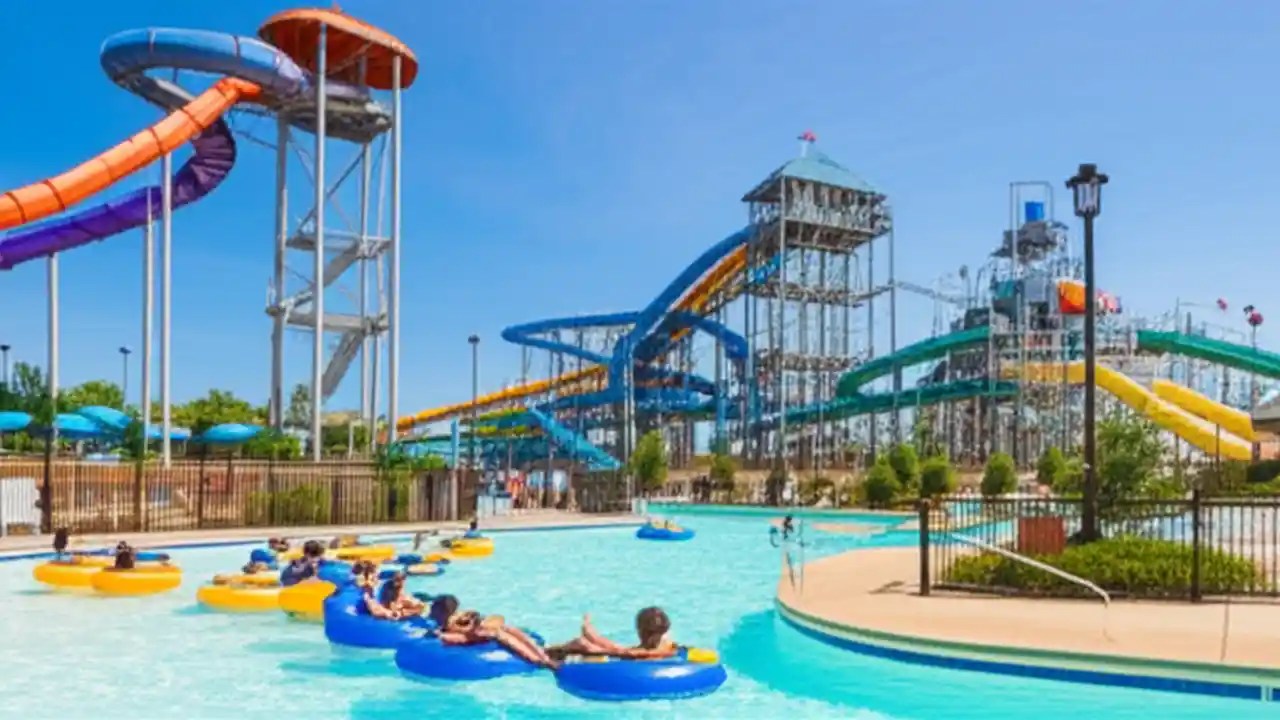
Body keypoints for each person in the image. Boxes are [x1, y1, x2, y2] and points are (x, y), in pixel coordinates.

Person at [436, 605, 559, 670]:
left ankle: (542, 654)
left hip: (478, 632)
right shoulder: (447, 632)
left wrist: (475, 623)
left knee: (506, 629)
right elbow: (448, 636)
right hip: (473, 635)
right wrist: (471, 628)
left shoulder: (458, 619)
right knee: (499, 634)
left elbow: (495, 619)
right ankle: (541, 660)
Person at [548, 607, 678, 661]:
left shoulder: (666, 649)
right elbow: (623, 651)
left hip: (629, 659)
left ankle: (550, 652)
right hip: (628, 655)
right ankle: (591, 636)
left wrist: (590, 650)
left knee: (582, 644)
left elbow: (626, 653)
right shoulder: (665, 644)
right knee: (587, 643)